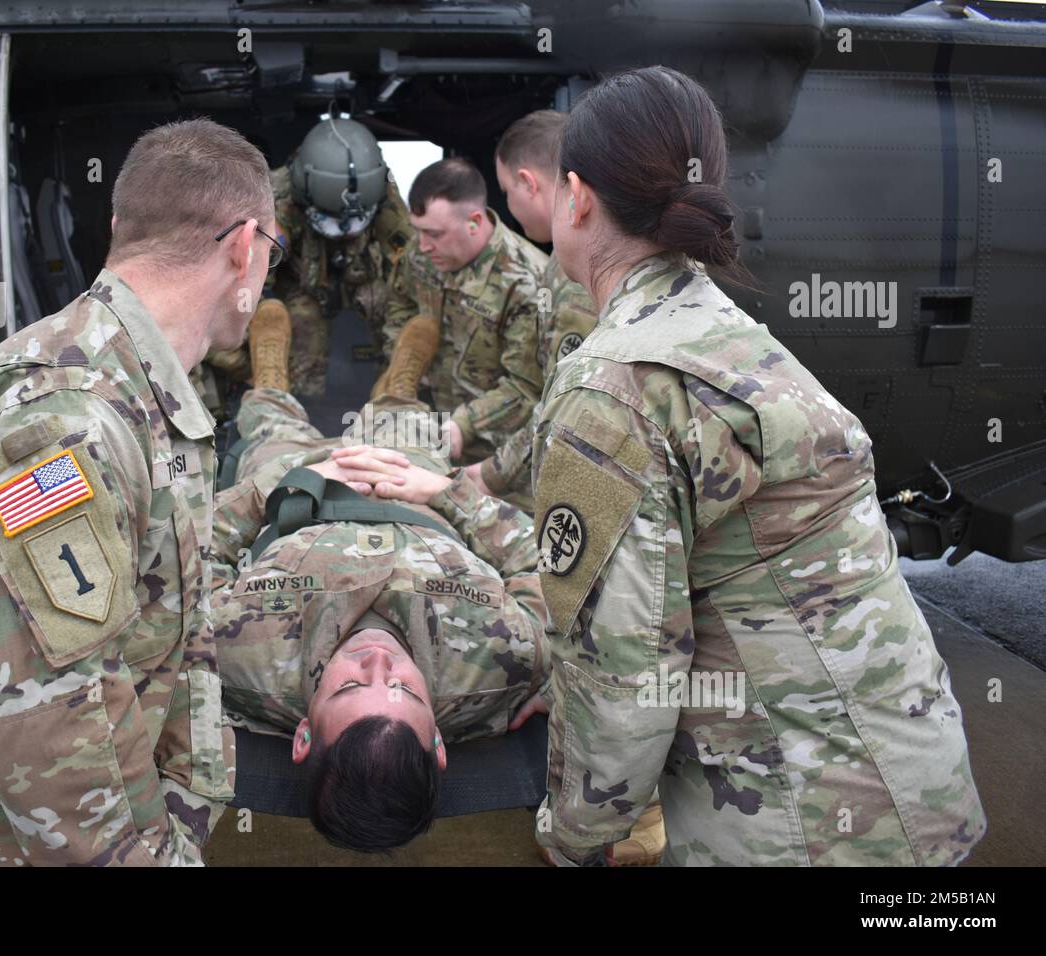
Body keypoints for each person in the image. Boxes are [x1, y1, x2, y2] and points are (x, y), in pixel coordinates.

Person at [377, 67, 988, 866]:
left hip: (794, 826)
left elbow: (624, 677)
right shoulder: (723, 333)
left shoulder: (615, 389)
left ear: (577, 197)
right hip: (911, 784)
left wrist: (572, 834)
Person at [0, 118, 281, 866]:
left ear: (119, 226)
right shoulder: (70, 419)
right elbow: (45, 715)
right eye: (273, 251)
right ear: (244, 246)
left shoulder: (125, 388)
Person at [205, 304, 546, 852]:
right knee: (402, 413)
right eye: (405, 689)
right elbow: (542, 566)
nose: (379, 661)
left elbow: (192, 556)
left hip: (292, 494)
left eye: (348, 685)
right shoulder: (502, 663)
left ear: (302, 736)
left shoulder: (236, 657)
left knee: (266, 419)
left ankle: (268, 373)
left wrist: (287, 484)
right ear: (438, 741)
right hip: (412, 488)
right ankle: (400, 377)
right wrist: (445, 493)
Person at [201, 116, 415, 402]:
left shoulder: (379, 196)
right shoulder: (276, 199)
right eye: (331, 217)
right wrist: (245, 367)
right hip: (299, 282)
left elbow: (408, 264)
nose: (342, 229)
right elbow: (250, 281)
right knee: (294, 319)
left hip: (361, 276)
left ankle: (392, 393)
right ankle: (296, 403)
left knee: (394, 304)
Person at [462, 110, 599, 512]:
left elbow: (566, 402)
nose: (508, 205)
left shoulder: (573, 271)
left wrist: (490, 475)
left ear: (527, 182)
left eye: (506, 191)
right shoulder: (567, 258)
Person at [381, 158, 547, 466]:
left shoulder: (526, 283)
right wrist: (401, 361)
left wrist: (463, 426)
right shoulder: (421, 254)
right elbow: (399, 304)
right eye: (418, 232)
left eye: (434, 234)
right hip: (423, 421)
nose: (424, 245)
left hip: (497, 454)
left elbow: (526, 387)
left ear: (474, 222)